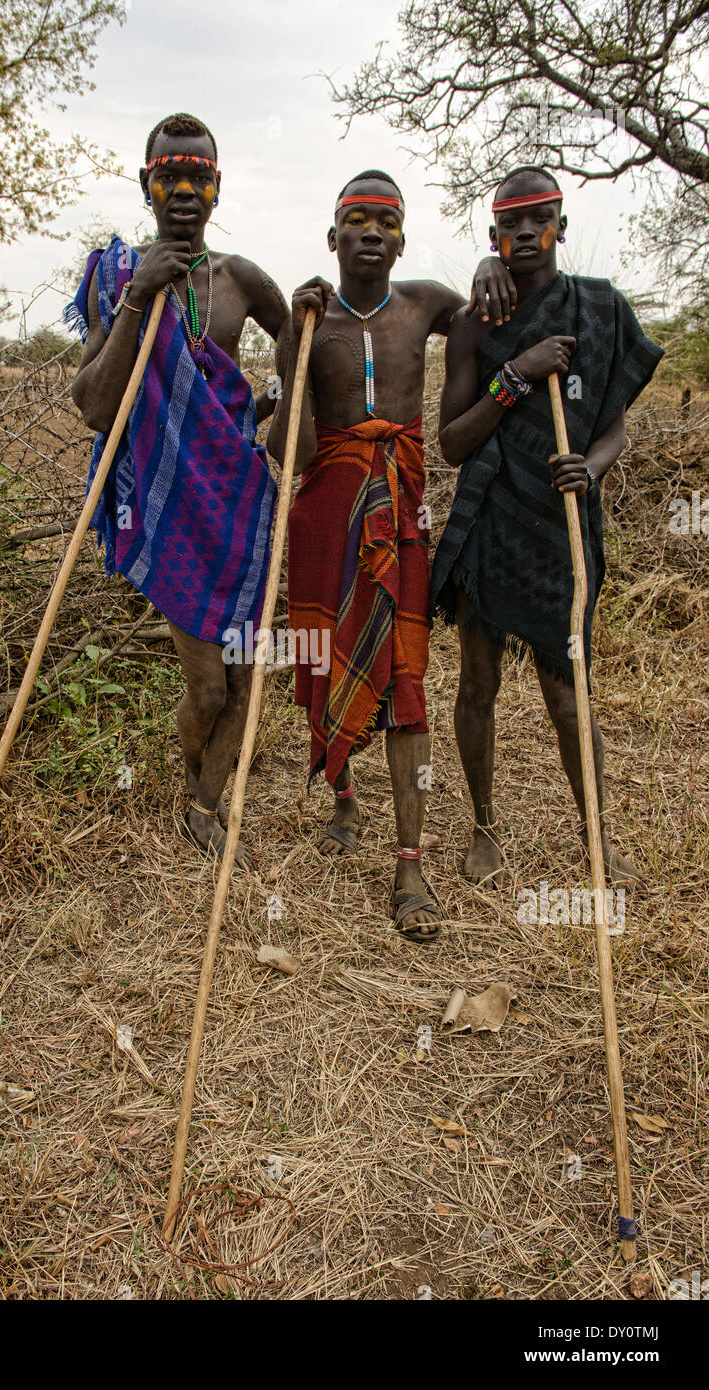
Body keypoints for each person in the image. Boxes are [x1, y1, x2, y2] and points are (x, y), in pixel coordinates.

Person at [268, 170, 514, 941]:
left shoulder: (424, 304)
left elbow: (482, 311)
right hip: (324, 512)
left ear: (400, 236)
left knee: (403, 674)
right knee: (326, 660)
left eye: (385, 221)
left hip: (398, 514)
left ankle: (410, 864)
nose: (370, 232)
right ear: (332, 235)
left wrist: (486, 266)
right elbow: (291, 453)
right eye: (355, 220)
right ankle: (342, 796)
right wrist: (290, 360)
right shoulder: (308, 322)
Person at [430, 165, 663, 887]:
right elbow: (450, 443)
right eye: (509, 224)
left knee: (567, 695)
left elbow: (614, 427)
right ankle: (483, 829)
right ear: (492, 233)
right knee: (478, 684)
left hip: (562, 523)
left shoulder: (599, 310)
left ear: (559, 222)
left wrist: (590, 468)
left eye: (538, 219)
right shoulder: (475, 326)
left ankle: (598, 840)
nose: (524, 233)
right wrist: (516, 376)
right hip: (489, 522)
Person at [67, 112, 288, 868]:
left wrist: (274, 401)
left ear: (217, 189)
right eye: (171, 176)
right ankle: (194, 768)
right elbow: (98, 405)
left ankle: (205, 802)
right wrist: (137, 299)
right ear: (146, 185)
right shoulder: (118, 279)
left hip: (237, 504)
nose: (185, 190)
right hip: (174, 515)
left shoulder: (240, 280)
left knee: (246, 677)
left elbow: (299, 345)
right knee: (209, 691)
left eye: (200, 177)